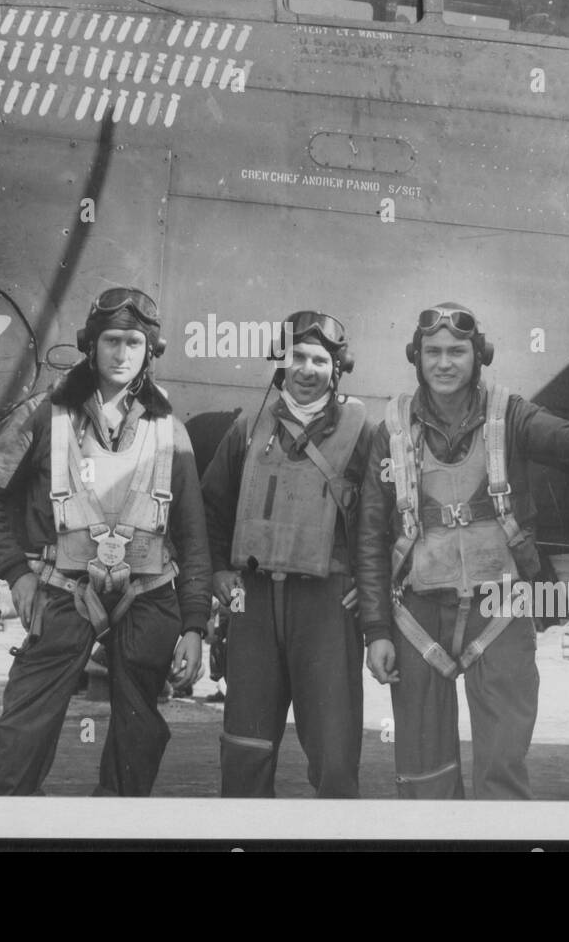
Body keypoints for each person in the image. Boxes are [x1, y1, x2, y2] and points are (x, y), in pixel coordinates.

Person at [355, 302, 569, 800]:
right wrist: (376, 630)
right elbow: (370, 535)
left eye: (457, 351)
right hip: (418, 613)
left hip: (499, 610)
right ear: (417, 358)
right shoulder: (392, 430)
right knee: (424, 780)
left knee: (502, 772)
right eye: (433, 352)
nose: (444, 363)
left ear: (478, 356)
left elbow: (559, 439)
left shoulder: (507, 415)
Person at [0, 287, 212, 796]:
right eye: (112, 341)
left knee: (136, 745)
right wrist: (17, 573)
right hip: (61, 593)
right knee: (20, 740)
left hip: (148, 601)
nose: (121, 354)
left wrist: (193, 626)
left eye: (134, 343)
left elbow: (193, 542)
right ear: (91, 346)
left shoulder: (171, 434)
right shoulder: (46, 415)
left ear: (149, 352)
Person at [201, 311, 372, 797]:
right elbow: (211, 506)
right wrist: (217, 571)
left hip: (327, 606)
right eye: (298, 356)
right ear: (283, 360)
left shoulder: (363, 433)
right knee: (245, 751)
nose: (306, 368)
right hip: (251, 603)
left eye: (319, 359)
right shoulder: (247, 428)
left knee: (335, 757)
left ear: (336, 368)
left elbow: (385, 520)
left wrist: (371, 585)